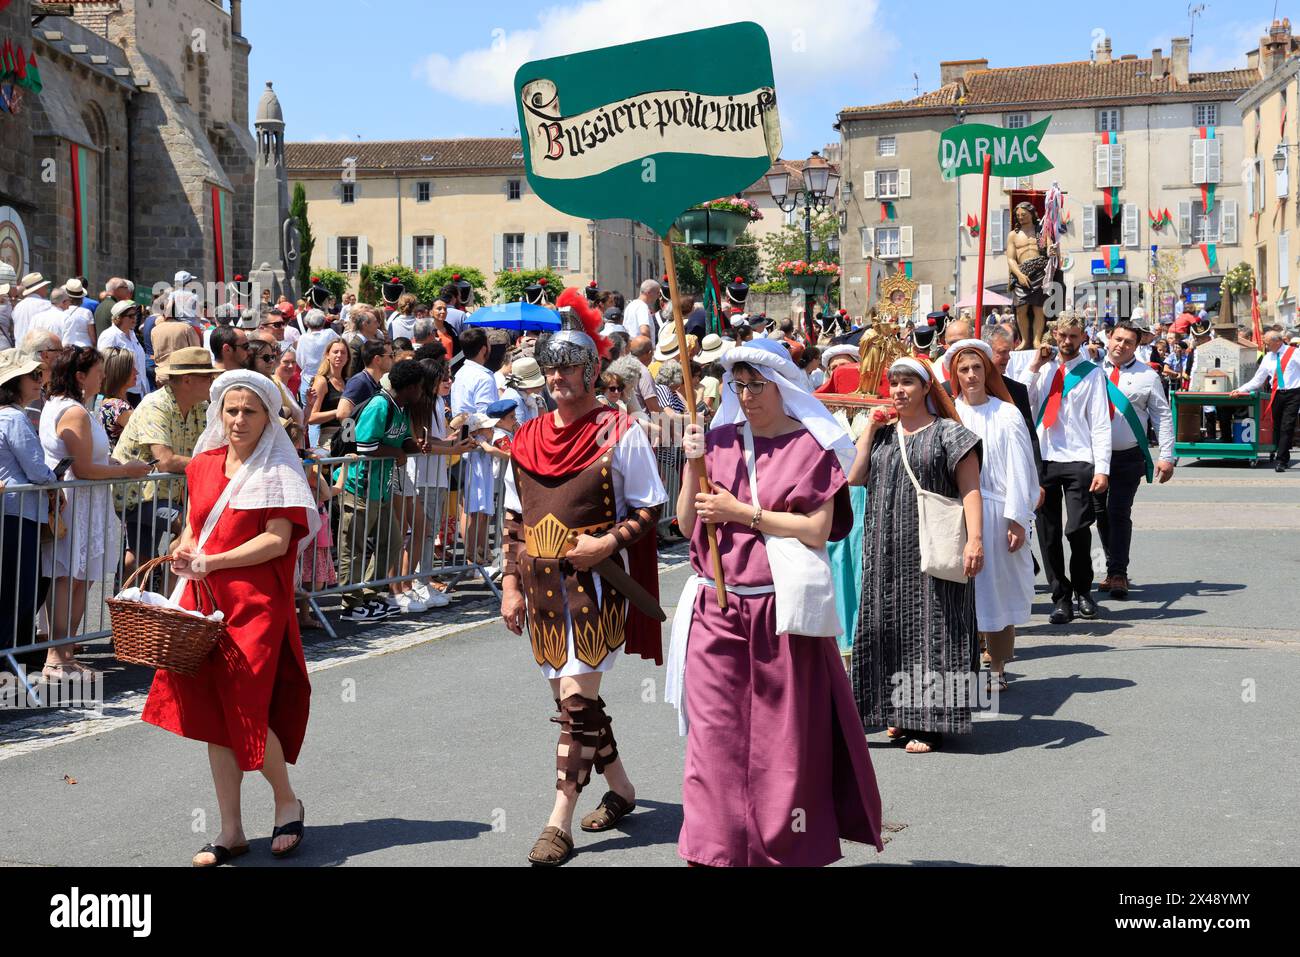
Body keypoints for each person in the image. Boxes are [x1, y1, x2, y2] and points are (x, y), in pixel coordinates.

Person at [664, 337, 883, 865]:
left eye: (755, 385)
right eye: (738, 385)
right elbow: (688, 523)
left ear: (783, 386)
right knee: (714, 741)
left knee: (784, 746)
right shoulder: (715, 441)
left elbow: (816, 528)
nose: (746, 394)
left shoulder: (811, 445)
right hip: (716, 609)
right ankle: (713, 851)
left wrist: (743, 513)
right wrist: (693, 466)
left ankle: (782, 852)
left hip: (782, 613)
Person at [499, 287, 666, 866]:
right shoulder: (524, 438)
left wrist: (606, 543)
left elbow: (650, 507)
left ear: (591, 370)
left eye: (570, 366)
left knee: (574, 708)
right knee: (579, 708)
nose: (559, 376)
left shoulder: (619, 431)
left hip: (595, 589)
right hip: (540, 588)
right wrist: (510, 585)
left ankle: (557, 822)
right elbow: (515, 518)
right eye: (551, 368)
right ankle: (622, 789)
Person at [141, 371, 318, 866]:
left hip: (256, 604)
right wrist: (184, 549)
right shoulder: (201, 464)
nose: (238, 419)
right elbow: (195, 527)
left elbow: (278, 541)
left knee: (246, 705)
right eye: (231, 410)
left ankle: (286, 800)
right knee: (212, 711)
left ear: (268, 417)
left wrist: (212, 561)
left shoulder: (280, 470)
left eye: (250, 411)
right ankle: (231, 829)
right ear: (219, 412)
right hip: (204, 601)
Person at [848, 357, 983, 753]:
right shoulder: (884, 435)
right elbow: (855, 477)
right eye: (894, 383)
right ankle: (896, 712)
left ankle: (929, 723)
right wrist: (870, 430)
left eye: (908, 382)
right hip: (884, 552)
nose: (899, 390)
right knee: (885, 626)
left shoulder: (950, 434)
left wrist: (975, 540)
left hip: (933, 552)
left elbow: (970, 490)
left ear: (927, 388)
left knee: (932, 629)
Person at [39, 347, 153, 677]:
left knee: (75, 577)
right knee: (69, 578)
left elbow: (86, 462)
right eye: (98, 371)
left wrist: (113, 464)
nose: (103, 377)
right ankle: (57, 656)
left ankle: (64, 653)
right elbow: (85, 468)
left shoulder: (63, 406)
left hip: (81, 501)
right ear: (80, 376)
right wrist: (125, 471)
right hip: (79, 502)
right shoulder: (72, 410)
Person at [944, 340, 1037, 692]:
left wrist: (1017, 517)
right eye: (964, 370)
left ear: (988, 372)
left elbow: (1021, 468)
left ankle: (997, 666)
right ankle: (964, 664)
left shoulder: (1006, 413)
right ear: (955, 375)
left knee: (995, 590)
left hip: (997, 510)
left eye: (977, 368)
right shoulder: (949, 414)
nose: (971, 375)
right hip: (957, 512)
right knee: (961, 592)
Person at [1015, 314, 1111, 624]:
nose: (1067, 341)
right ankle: (1060, 597)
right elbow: (1021, 402)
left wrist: (1103, 468)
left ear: (1083, 337)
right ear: (1054, 334)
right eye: (1062, 335)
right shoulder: (1042, 371)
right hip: (1044, 458)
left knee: (1077, 528)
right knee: (1048, 532)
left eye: (1073, 336)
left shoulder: (1092, 374)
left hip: (1080, 459)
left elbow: (1099, 423)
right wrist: (1034, 366)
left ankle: (1084, 590)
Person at [111, 347, 220, 576]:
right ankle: (167, 599)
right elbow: (165, 461)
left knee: (139, 557)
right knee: (188, 526)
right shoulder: (155, 404)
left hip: (167, 494)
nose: (213, 381)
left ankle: (142, 603)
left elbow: (214, 450)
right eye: (208, 377)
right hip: (138, 494)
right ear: (187, 380)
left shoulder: (202, 407)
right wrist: (214, 465)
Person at [336, 359, 429, 621]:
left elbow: (401, 440)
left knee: (393, 542)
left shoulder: (402, 407)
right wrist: (398, 452)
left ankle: (369, 593)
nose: (421, 391)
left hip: (383, 488)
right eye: (419, 386)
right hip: (361, 486)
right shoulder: (380, 404)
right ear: (409, 387)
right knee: (353, 546)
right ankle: (350, 604)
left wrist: (414, 446)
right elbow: (364, 446)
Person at [1094, 322, 1176, 599]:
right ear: (1109, 338)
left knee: (1118, 511)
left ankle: (1118, 573)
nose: (1121, 345)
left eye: (1128, 342)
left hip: (1128, 456)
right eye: (1118, 339)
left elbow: (1162, 415)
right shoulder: (1089, 370)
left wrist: (1167, 456)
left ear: (1136, 346)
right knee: (1100, 514)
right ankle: (1111, 566)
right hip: (1094, 458)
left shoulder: (1147, 375)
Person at [0, 349, 57, 670]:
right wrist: (54, 479)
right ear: (13, 382)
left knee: (19, 585)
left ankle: (14, 650)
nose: (39, 381)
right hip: (18, 511)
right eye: (33, 377)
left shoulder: (8, 415)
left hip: (15, 509)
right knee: (21, 586)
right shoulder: (13, 417)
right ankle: (8, 652)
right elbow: (36, 469)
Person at [450, 327, 498, 564]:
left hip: (466, 441)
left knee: (472, 503)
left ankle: (477, 554)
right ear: (483, 350)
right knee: (477, 504)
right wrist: (486, 432)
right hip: (477, 444)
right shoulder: (482, 376)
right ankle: (475, 556)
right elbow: (485, 413)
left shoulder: (461, 373)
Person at [1231, 329, 1300, 472]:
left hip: (1294, 393)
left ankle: (1281, 461)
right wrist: (1241, 390)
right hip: (1276, 394)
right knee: (1277, 426)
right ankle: (1281, 453)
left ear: (1278, 341)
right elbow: (1258, 379)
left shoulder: (1294, 353)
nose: (1266, 346)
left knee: (1287, 426)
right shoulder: (1268, 357)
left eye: (1268, 343)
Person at [97, 300, 151, 403]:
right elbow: (105, 364)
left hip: (137, 390)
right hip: (120, 392)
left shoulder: (132, 335)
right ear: (118, 318)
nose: (134, 318)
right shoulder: (109, 335)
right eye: (130, 316)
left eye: (135, 315)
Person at [305, 339, 352, 450]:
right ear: (327, 355)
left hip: (349, 434)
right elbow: (311, 417)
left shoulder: (349, 382)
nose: (339, 355)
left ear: (348, 358)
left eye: (343, 352)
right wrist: (338, 412)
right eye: (335, 352)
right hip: (330, 438)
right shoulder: (322, 381)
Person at [294, 309, 340, 403]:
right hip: (326, 378)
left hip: (308, 378)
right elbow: (341, 344)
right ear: (323, 322)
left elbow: (299, 360)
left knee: (307, 410)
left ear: (307, 324)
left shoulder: (303, 338)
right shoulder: (330, 333)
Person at [95, 347, 138, 446]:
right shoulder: (118, 406)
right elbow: (149, 434)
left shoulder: (100, 399)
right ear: (119, 372)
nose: (137, 372)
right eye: (132, 368)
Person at [11, 273, 52, 347]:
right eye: (45, 286)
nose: (46, 288)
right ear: (39, 288)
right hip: (37, 351)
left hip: (19, 351)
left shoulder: (18, 307)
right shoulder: (47, 305)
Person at [624, 279, 662, 347]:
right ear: (649, 292)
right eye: (657, 293)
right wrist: (650, 349)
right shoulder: (642, 307)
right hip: (641, 351)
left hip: (631, 348)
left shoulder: (630, 305)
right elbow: (644, 331)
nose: (658, 296)